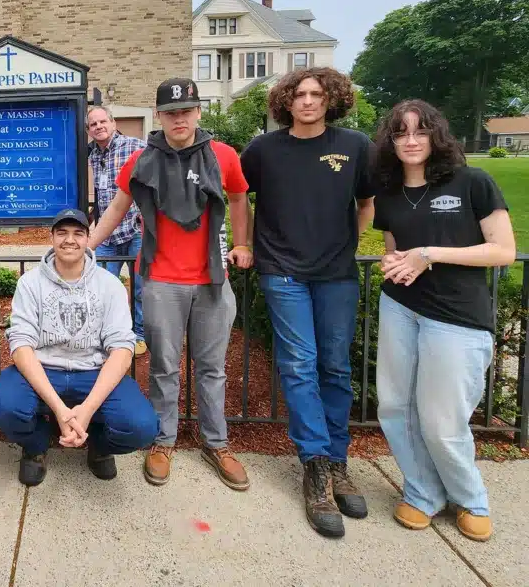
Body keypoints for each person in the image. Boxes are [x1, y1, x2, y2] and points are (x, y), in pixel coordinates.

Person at [88, 78, 253, 490]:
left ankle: (216, 443)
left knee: (212, 368)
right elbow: (116, 209)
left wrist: (244, 243)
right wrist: (85, 248)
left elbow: (238, 198)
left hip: (214, 280)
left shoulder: (224, 155)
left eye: (187, 110)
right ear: (159, 116)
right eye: (171, 112)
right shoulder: (143, 160)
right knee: (163, 367)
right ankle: (164, 441)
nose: (179, 118)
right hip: (160, 280)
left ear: (198, 112)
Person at [239, 67, 375, 538]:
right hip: (283, 272)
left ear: (331, 99)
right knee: (299, 364)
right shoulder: (263, 150)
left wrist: (349, 246)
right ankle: (315, 466)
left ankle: (339, 461)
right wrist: (248, 242)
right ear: (286, 102)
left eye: (317, 94)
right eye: (299, 94)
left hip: (337, 275)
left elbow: (367, 203)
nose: (308, 101)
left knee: (335, 368)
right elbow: (241, 196)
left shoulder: (355, 147)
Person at [372, 100, 515, 543]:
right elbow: (393, 248)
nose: (411, 140)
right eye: (401, 133)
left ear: (436, 136)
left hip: (456, 316)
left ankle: (470, 499)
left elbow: (502, 250)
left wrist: (429, 254)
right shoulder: (390, 193)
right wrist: (392, 262)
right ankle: (422, 492)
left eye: (419, 131)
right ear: (391, 141)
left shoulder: (472, 182)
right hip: (400, 307)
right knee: (394, 406)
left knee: (440, 418)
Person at [0, 209, 159, 485]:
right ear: (52, 238)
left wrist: (87, 409)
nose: (70, 240)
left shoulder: (110, 285)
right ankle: (36, 445)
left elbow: (122, 349)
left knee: (142, 427)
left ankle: (100, 448)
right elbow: (20, 346)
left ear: (88, 238)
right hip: (43, 369)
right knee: (2, 407)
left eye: (78, 233)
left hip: (92, 371)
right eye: (62, 233)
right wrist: (59, 408)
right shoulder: (30, 284)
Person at [87, 106, 147, 355]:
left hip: (134, 231)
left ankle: (139, 335)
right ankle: (109, 334)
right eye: (93, 124)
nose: (99, 126)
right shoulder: (91, 155)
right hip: (106, 235)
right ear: (88, 130)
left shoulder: (136, 146)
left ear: (113, 122)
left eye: (103, 121)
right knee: (102, 288)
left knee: (140, 288)